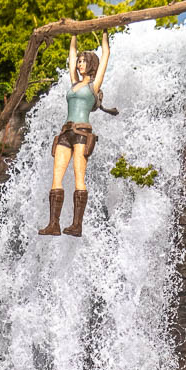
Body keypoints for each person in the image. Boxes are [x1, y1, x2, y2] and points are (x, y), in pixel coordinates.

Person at [39, 31, 117, 238]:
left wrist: (104, 32)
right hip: (65, 132)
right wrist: (74, 33)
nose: (79, 64)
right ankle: (53, 224)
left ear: (91, 64)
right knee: (57, 177)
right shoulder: (74, 82)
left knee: (78, 177)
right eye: (79, 61)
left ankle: (76, 225)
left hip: (82, 133)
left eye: (83, 61)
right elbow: (71, 54)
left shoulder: (94, 85)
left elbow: (106, 53)